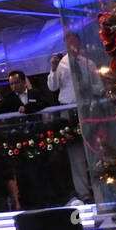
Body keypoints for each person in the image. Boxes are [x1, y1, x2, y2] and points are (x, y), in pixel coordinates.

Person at [47, 31, 103, 203]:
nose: (72, 45)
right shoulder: (61, 64)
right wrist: (53, 69)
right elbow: (52, 87)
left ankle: (100, 189)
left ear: (78, 43)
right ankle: (83, 193)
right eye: (68, 42)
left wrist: (90, 88)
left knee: (94, 150)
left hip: (88, 109)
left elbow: (99, 87)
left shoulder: (88, 63)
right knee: (76, 153)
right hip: (69, 111)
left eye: (74, 42)